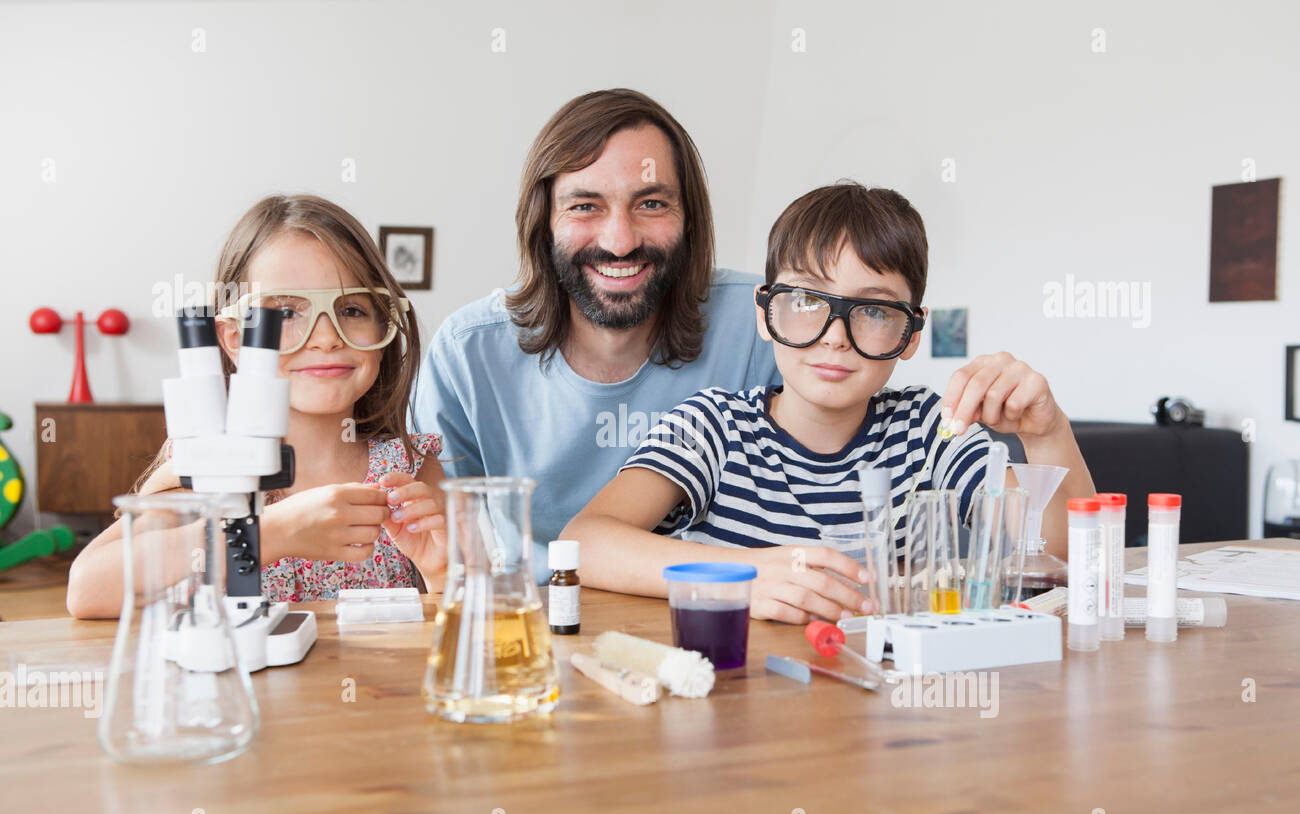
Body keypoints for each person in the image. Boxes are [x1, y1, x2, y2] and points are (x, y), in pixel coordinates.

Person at [562, 182, 1096, 624]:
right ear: (764, 313)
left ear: (911, 334)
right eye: (805, 301)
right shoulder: (712, 427)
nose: (836, 336)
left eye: (874, 311)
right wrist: (743, 577)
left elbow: (1061, 555)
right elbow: (586, 543)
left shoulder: (930, 431)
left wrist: (1047, 433)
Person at [411, 89, 779, 579]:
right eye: (585, 206)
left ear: (690, 219)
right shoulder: (466, 353)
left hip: (718, 619)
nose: (620, 241)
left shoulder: (763, 324)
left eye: (650, 203)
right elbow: (444, 559)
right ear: (543, 222)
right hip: (541, 626)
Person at [67, 195, 448, 618]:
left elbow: (470, 616)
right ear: (234, 340)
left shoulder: (411, 469)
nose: (325, 338)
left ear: (384, 326)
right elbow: (88, 590)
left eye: (352, 309)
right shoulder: (206, 467)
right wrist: (271, 532)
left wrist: (443, 573)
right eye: (284, 313)